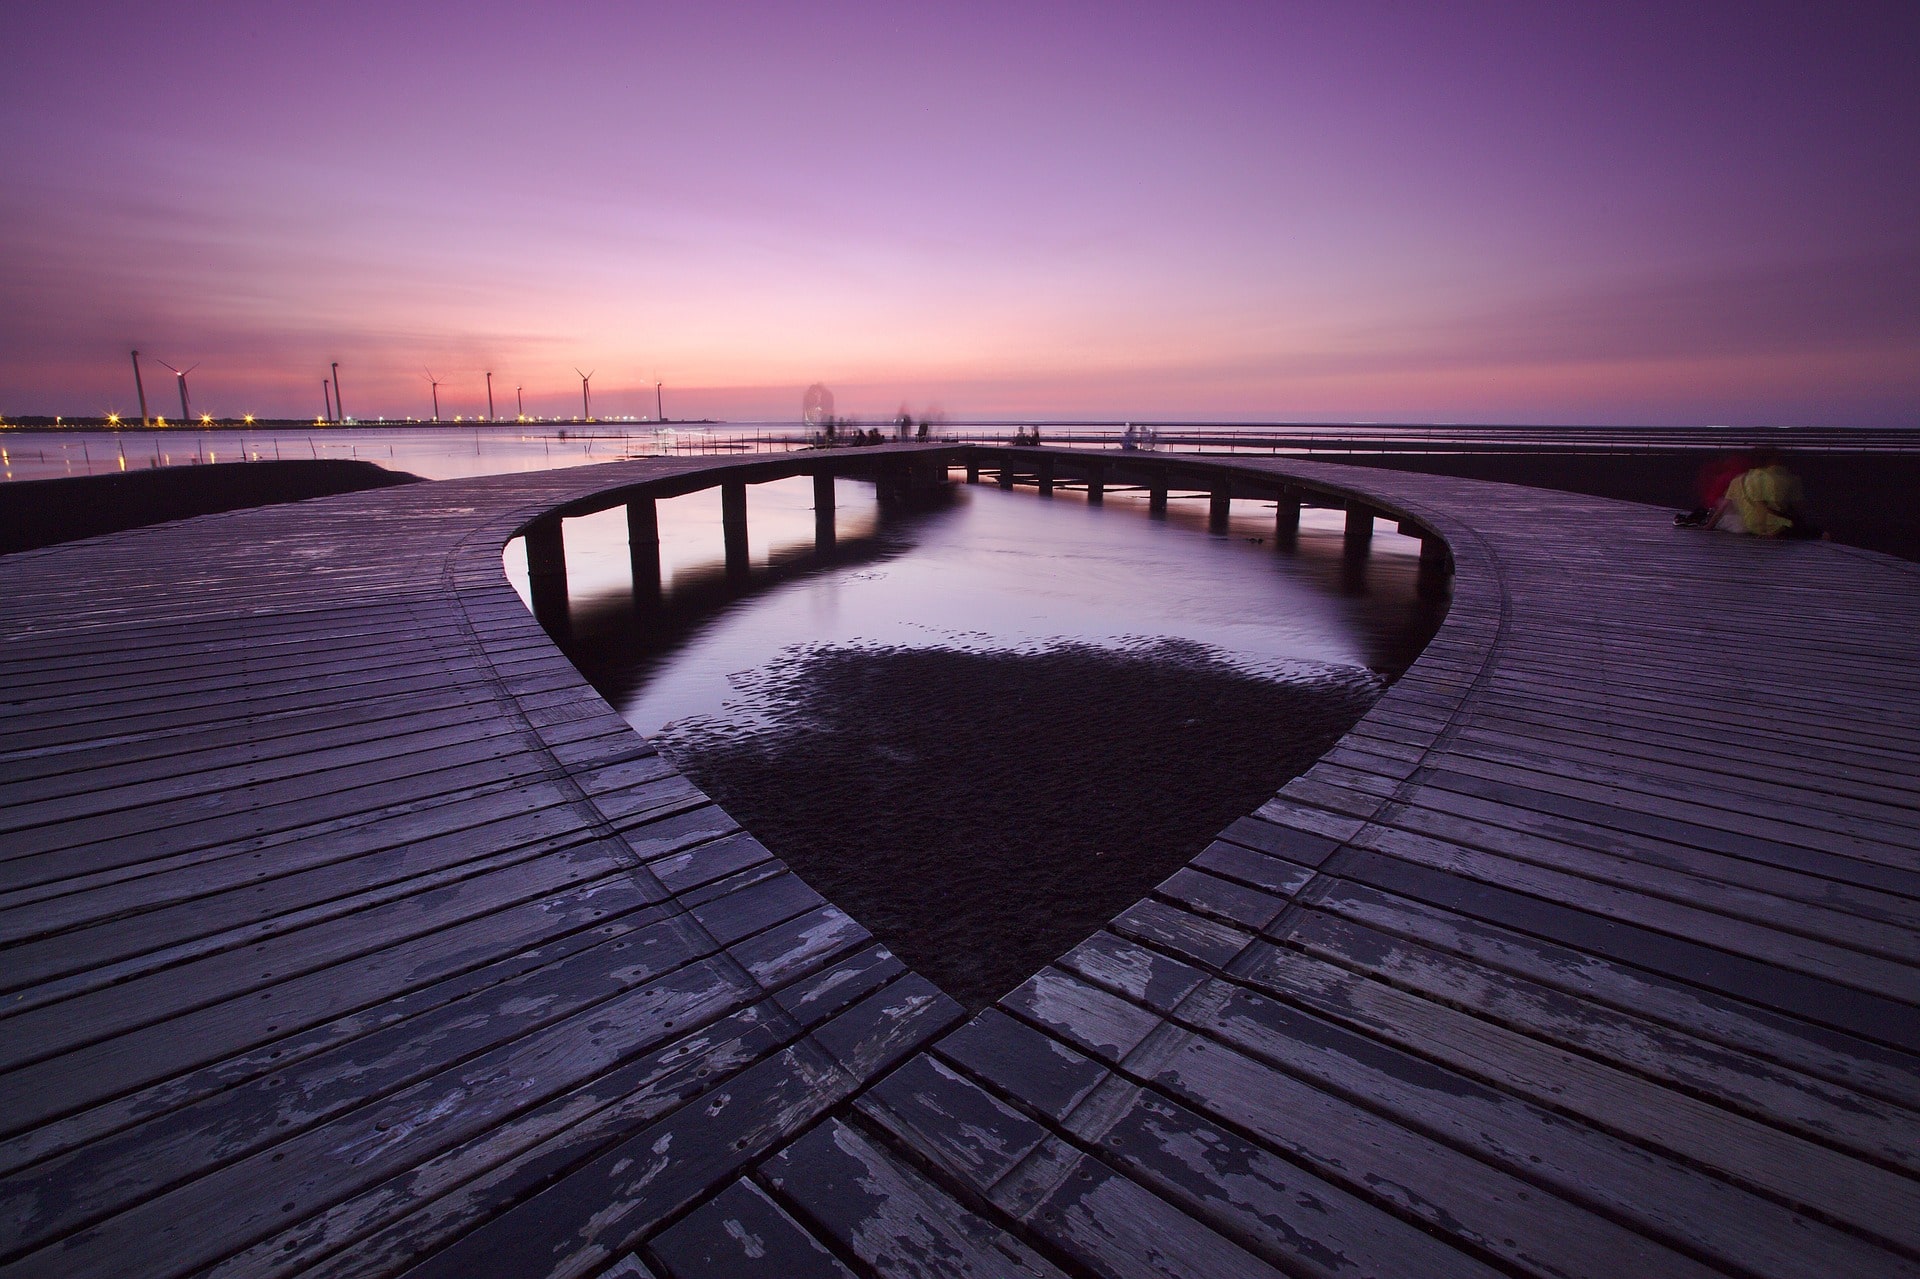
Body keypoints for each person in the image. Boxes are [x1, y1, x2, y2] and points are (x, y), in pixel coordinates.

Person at [1701, 449, 1822, 539]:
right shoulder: (1771, 479)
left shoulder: (1737, 480)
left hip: (1751, 525)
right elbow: (1763, 506)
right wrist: (1765, 532)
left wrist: (1708, 526)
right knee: (1817, 532)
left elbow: (1722, 508)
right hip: (1773, 527)